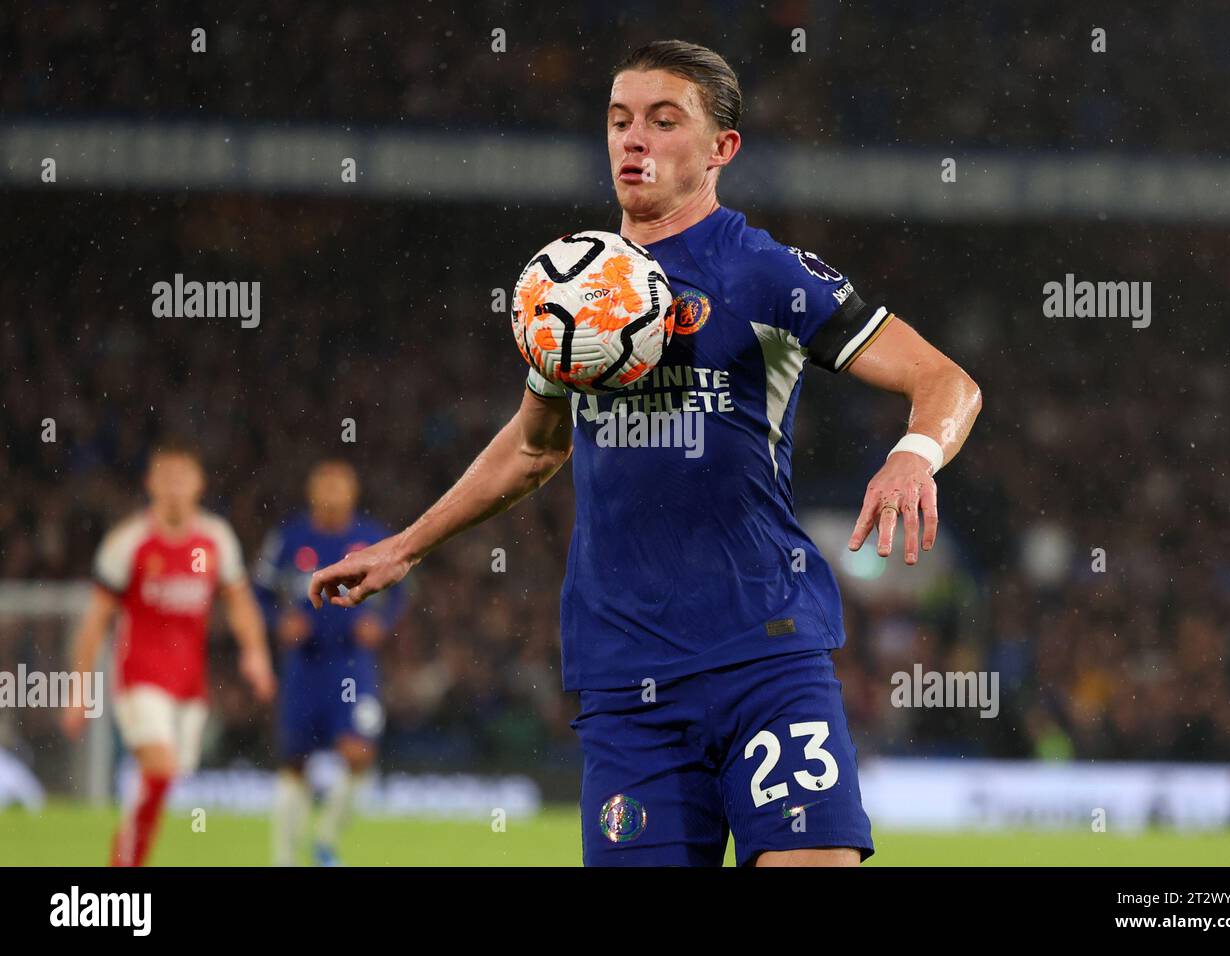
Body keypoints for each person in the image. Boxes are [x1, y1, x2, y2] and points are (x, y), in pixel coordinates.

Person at [307, 40, 982, 867]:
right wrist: (403, 546)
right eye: (621, 120)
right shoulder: (573, 289)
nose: (635, 140)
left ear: (721, 149)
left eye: (665, 122)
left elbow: (946, 381)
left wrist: (914, 455)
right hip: (627, 673)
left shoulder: (764, 273)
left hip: (763, 649)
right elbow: (533, 446)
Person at [63, 440, 275, 866]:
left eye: (183, 478)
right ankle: (125, 867)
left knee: (162, 780)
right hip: (139, 678)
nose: (175, 487)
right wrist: (77, 690)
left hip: (189, 685)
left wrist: (256, 654)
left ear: (199, 484)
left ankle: (127, 857)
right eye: (166, 478)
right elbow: (94, 624)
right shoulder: (128, 543)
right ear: (150, 483)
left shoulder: (215, 539)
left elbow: (239, 602)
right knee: (159, 769)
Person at [255, 460, 405, 866]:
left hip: (352, 664)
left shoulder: (372, 538)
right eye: (325, 484)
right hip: (304, 665)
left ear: (353, 493)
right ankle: (284, 859)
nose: (332, 492)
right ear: (311, 491)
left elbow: (401, 591)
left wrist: (382, 622)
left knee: (359, 753)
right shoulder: (289, 539)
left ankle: (324, 839)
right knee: (294, 763)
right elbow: (260, 592)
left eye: (340, 485)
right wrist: (279, 622)